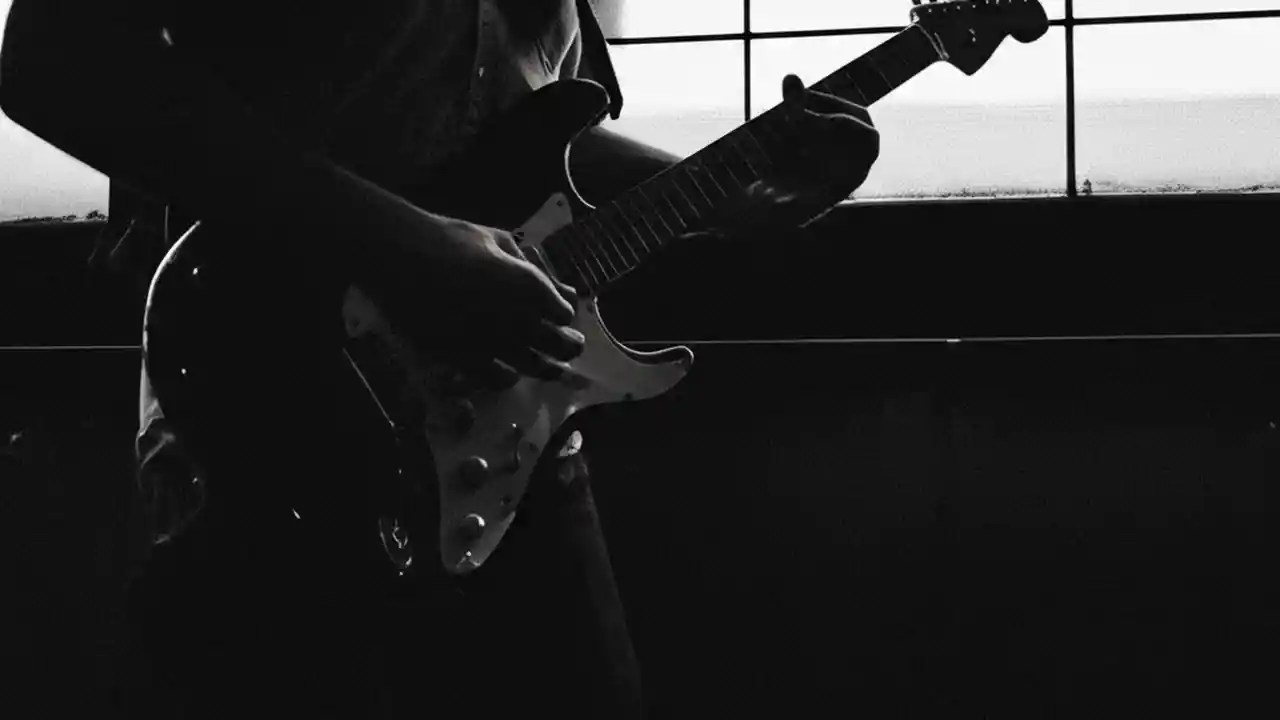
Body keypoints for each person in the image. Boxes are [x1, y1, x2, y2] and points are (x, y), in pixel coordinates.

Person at [0, 1, 881, 717]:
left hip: (511, 434)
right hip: (270, 411)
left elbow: (542, 139)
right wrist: (405, 248)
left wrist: (724, 195)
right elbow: (52, 61)